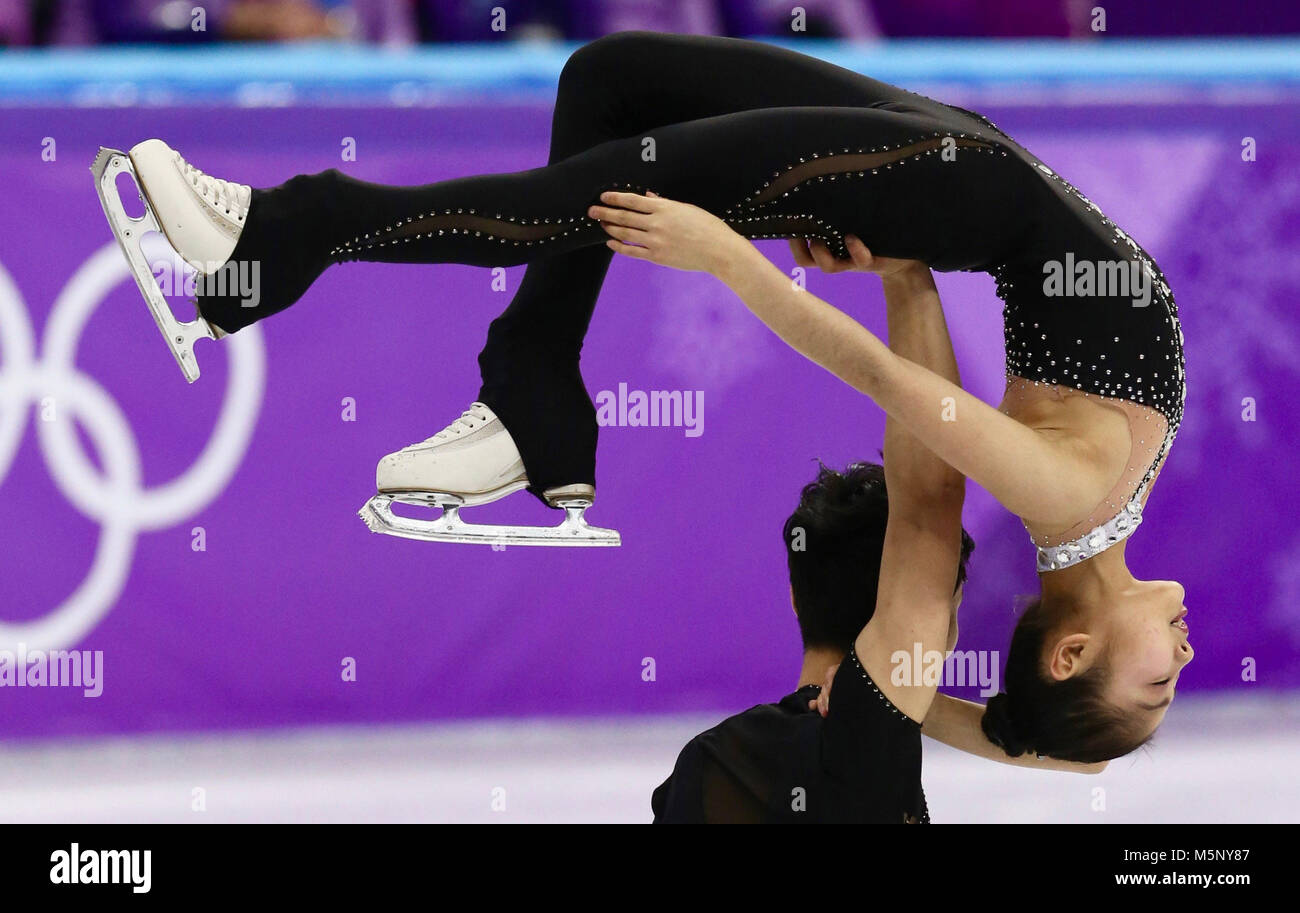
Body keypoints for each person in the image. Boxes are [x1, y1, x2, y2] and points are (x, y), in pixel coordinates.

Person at [114, 30, 1191, 761]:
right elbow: (1076, 764)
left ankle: (286, 234)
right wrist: (903, 272)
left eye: (1156, 686)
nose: (1182, 662)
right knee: (611, 83)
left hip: (955, 182)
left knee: (588, 198)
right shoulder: (1101, 500)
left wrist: (733, 262)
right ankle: (531, 388)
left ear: (1071, 651)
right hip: (967, 172)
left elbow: (890, 385)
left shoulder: (1071, 489)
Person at [653, 248, 1102, 824]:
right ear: (936, 616)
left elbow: (1087, 760)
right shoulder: (861, 746)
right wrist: (907, 271)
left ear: (795, 597)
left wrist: (911, 702)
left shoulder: (704, 761)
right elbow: (928, 502)